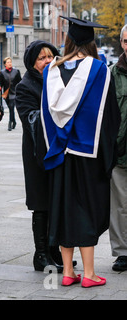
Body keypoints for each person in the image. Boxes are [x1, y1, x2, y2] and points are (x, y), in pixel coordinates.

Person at [41, 16, 120, 287]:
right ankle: (88, 274)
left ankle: (66, 272)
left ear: (68, 40)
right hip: (88, 154)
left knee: (63, 207)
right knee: (86, 208)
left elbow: (46, 116)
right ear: (91, 41)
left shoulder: (51, 70)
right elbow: (109, 116)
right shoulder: (99, 70)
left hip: (60, 153)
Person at [15, 40, 66, 272]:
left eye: (50, 56)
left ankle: (55, 251)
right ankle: (41, 253)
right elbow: (30, 118)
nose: (48, 61)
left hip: (58, 150)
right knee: (41, 202)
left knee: (57, 200)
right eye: (42, 58)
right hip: (37, 152)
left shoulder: (60, 80)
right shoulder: (26, 86)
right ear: (32, 63)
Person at [108, 24, 127, 272]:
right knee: (120, 205)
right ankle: (123, 252)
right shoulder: (112, 73)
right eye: (126, 41)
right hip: (120, 150)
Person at [0, 56, 22, 131]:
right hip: (6, 94)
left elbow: (20, 81)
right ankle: (14, 121)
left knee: (11, 106)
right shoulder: (2, 72)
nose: (10, 63)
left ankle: (10, 123)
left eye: (10, 62)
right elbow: (0, 82)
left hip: (14, 92)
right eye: (8, 62)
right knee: (10, 108)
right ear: (5, 64)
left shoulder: (16, 71)